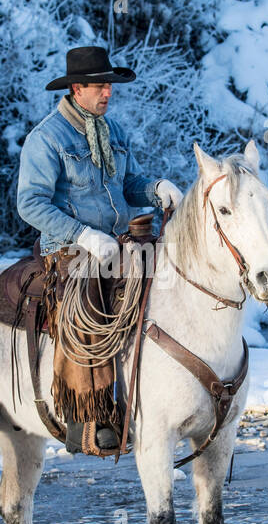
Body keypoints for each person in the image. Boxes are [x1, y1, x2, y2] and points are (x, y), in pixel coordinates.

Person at [16, 45, 183, 453]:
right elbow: (30, 203)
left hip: (122, 240)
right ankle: (90, 416)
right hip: (71, 250)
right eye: (100, 87)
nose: (108, 94)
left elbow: (128, 185)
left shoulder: (114, 132)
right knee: (91, 301)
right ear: (77, 88)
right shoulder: (47, 138)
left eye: (110, 87)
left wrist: (155, 188)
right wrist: (83, 235)